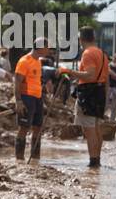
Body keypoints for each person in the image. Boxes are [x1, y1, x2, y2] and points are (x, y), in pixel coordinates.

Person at [59, 27, 109, 168]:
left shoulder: (88, 53)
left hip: (88, 93)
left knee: (89, 129)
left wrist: (69, 71)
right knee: (96, 128)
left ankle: (93, 161)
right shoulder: (102, 53)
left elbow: (90, 74)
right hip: (99, 92)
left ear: (81, 39)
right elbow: (106, 79)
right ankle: (97, 159)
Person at [14, 37, 51, 161]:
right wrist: (18, 101)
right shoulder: (24, 61)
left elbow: (35, 79)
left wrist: (44, 89)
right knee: (24, 128)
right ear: (41, 47)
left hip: (37, 97)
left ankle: (35, 158)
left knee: (38, 127)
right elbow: (17, 81)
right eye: (47, 47)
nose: (49, 50)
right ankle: (19, 159)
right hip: (26, 97)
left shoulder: (38, 61)